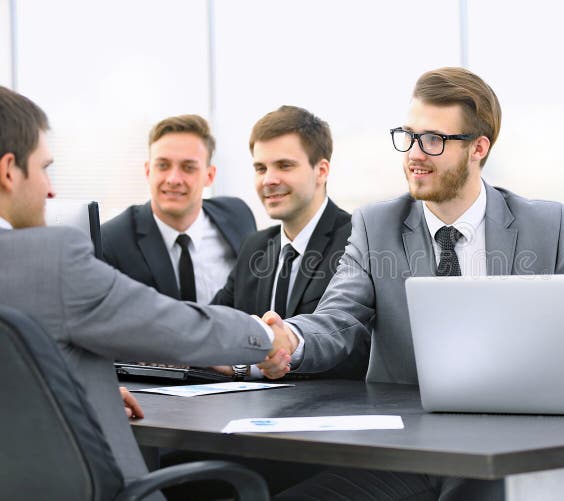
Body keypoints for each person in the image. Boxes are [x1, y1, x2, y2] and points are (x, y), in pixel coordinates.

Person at [264, 67, 564, 500]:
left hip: (516, 448)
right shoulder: (375, 225)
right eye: (408, 136)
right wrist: (291, 337)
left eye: (433, 140)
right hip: (407, 450)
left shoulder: (546, 224)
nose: (414, 154)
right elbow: (339, 317)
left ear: (479, 147)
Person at [0, 86, 290, 493]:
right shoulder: (54, 258)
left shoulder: (234, 218)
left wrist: (70, 391)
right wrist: (265, 336)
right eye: (44, 167)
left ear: (208, 175)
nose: (50, 189)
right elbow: (171, 324)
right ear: (9, 171)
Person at [212, 105, 369, 379]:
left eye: (284, 165)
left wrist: (243, 364)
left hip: (332, 411)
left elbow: (359, 348)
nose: (269, 180)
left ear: (321, 170)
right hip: (254, 413)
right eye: (260, 168)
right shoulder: (255, 247)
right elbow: (216, 326)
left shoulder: (358, 240)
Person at [101, 114, 256, 304]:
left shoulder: (238, 215)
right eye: (163, 165)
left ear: (209, 175)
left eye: (188, 167)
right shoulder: (111, 240)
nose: (173, 179)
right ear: (148, 171)